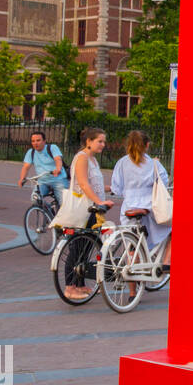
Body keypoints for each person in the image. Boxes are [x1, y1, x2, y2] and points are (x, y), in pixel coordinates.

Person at [110, 131, 172, 293]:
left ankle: (132, 293)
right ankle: (166, 262)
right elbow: (163, 183)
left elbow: (116, 188)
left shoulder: (122, 162)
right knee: (173, 228)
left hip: (128, 208)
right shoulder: (153, 164)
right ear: (147, 145)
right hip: (150, 208)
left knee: (132, 247)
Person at [63, 127, 114, 300]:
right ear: (88, 142)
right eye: (99, 141)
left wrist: (110, 189)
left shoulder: (92, 159)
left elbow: (95, 184)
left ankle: (80, 284)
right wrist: (99, 202)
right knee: (77, 247)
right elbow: (84, 185)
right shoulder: (82, 158)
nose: (103, 144)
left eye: (104, 141)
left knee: (87, 247)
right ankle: (69, 287)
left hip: (93, 209)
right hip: (84, 208)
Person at [17, 131, 69, 200]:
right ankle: (45, 210)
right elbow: (26, 167)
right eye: (33, 141)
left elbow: (58, 159)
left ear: (44, 141)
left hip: (58, 180)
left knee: (63, 202)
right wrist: (22, 179)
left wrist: (58, 169)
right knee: (35, 198)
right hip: (42, 182)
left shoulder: (52, 148)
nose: (35, 143)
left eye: (38, 140)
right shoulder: (31, 152)